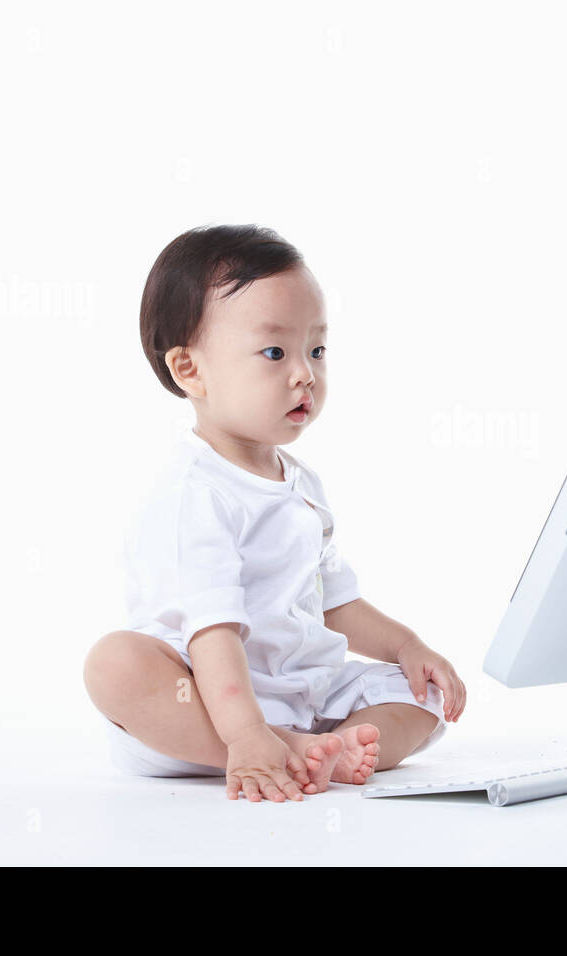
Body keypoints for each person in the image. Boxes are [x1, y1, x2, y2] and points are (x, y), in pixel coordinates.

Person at [83, 225, 466, 802]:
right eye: (274, 352)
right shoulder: (196, 493)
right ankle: (262, 749)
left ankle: (324, 750)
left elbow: (335, 600)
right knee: (116, 665)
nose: (304, 373)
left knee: (422, 696)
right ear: (190, 370)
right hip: (203, 705)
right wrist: (244, 730)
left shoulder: (301, 482)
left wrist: (408, 648)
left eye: (316, 350)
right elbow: (213, 630)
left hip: (302, 695)